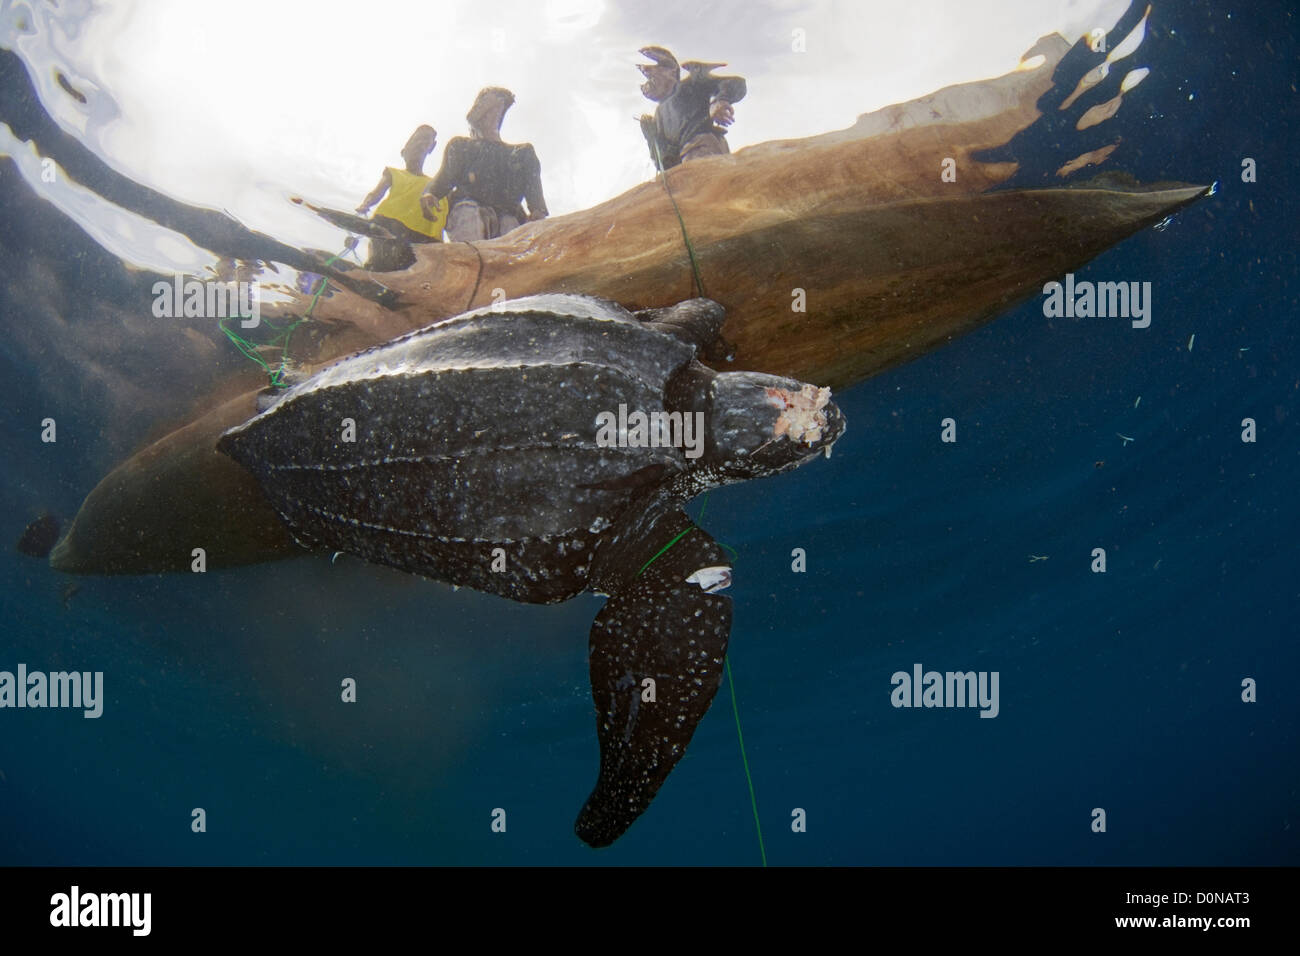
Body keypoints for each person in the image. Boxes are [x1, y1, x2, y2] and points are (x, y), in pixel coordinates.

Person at [421, 87, 548, 241]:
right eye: (482, 104)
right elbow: (443, 180)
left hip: (508, 217)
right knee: (469, 221)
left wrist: (538, 214)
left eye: (489, 105)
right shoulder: (460, 146)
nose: (485, 111)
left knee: (509, 237)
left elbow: (536, 200)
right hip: (467, 210)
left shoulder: (522, 153)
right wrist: (430, 194)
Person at [356, 125, 450, 271]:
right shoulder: (394, 173)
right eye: (415, 140)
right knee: (380, 269)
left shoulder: (437, 188)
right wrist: (365, 204)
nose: (419, 144)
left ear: (432, 147)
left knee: (410, 281)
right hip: (389, 228)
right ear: (404, 152)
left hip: (425, 240)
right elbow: (376, 192)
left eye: (425, 139)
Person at [638, 46, 746, 170]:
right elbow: (665, 164)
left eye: (652, 72)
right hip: (685, 164)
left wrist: (721, 100)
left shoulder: (692, 84)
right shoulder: (659, 115)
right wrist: (652, 139)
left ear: (671, 70)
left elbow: (735, 83)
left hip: (703, 148)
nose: (648, 81)